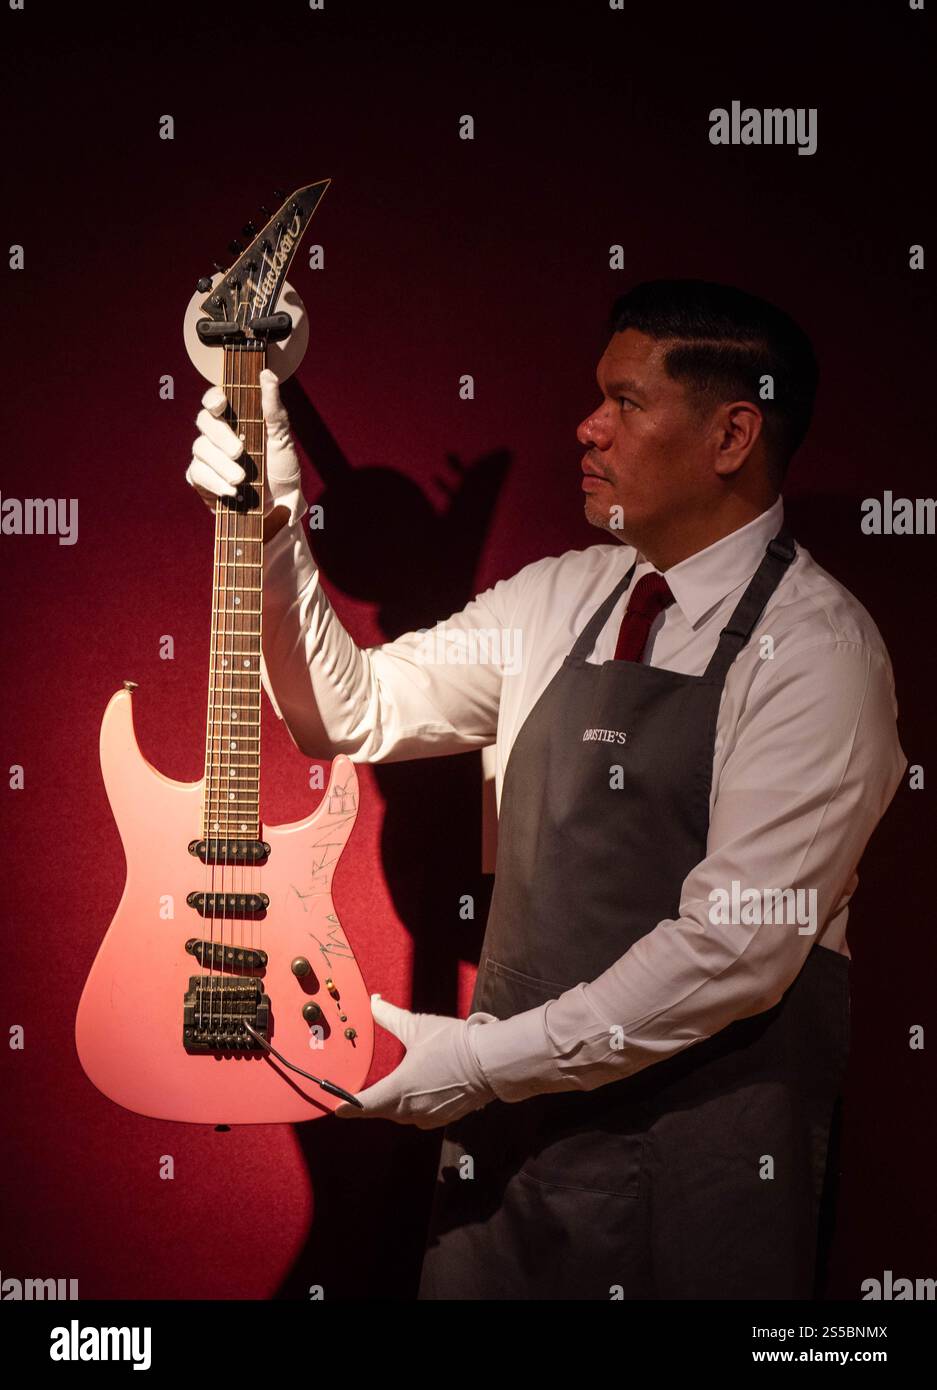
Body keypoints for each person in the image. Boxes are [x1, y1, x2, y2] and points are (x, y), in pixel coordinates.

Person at [186, 279, 906, 1300]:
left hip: (701, 1174)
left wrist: (475, 1065)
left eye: (624, 401)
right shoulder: (562, 596)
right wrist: (270, 532)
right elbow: (345, 711)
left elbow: (729, 951)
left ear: (732, 433)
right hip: (515, 1173)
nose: (588, 427)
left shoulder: (818, 653)